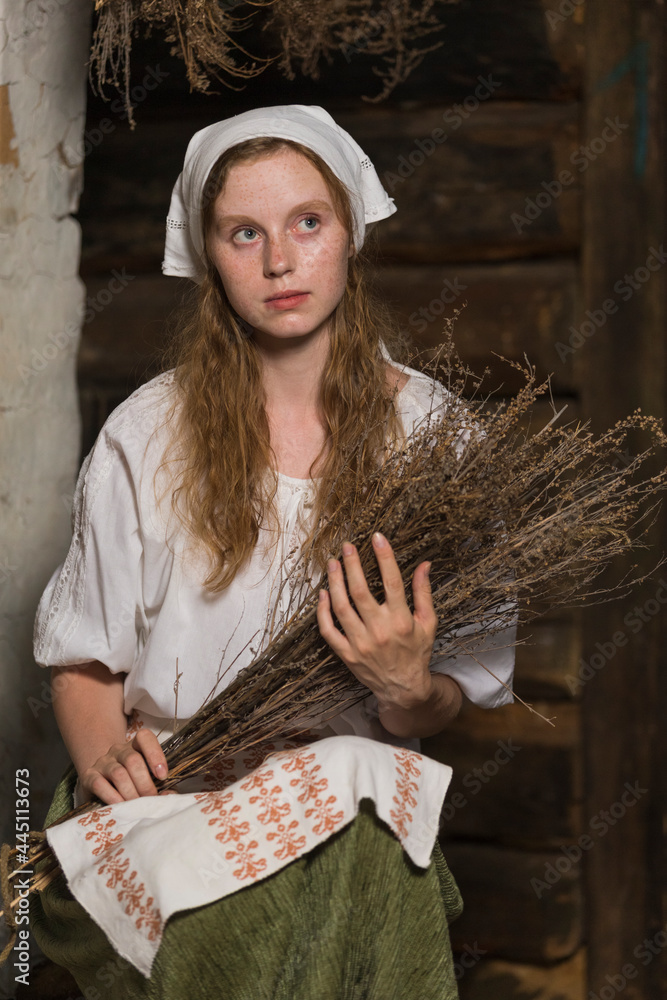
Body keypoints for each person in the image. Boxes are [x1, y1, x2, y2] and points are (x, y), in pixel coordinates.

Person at [30, 105, 514, 999]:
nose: (280, 261)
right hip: (172, 806)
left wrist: (406, 687)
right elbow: (82, 659)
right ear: (209, 255)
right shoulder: (147, 434)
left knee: (357, 795)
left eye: (306, 223)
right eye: (243, 233)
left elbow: (442, 703)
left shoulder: (437, 438)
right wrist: (105, 758)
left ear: (349, 233)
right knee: (320, 865)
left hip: (346, 813)